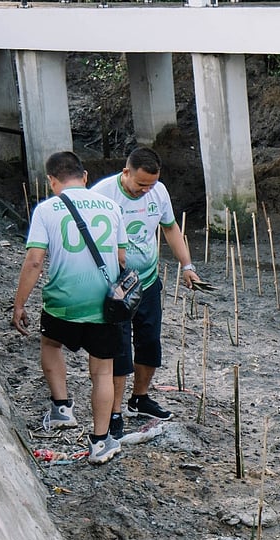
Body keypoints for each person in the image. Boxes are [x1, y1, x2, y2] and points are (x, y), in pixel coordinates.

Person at [12, 151, 128, 465]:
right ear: (85, 176)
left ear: (52, 181)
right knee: (102, 371)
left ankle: (62, 409)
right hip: (104, 305)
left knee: (51, 344)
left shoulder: (46, 209)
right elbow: (120, 259)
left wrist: (19, 303)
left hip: (61, 302)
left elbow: (35, 261)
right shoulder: (113, 207)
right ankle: (101, 442)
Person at [91, 147, 201, 437]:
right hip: (114, 287)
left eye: (151, 184)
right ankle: (114, 412)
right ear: (125, 173)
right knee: (119, 350)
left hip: (148, 281)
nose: (146, 190)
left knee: (150, 342)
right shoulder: (102, 194)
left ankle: (139, 398)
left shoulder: (158, 192)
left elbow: (171, 228)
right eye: (141, 184)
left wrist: (187, 265)